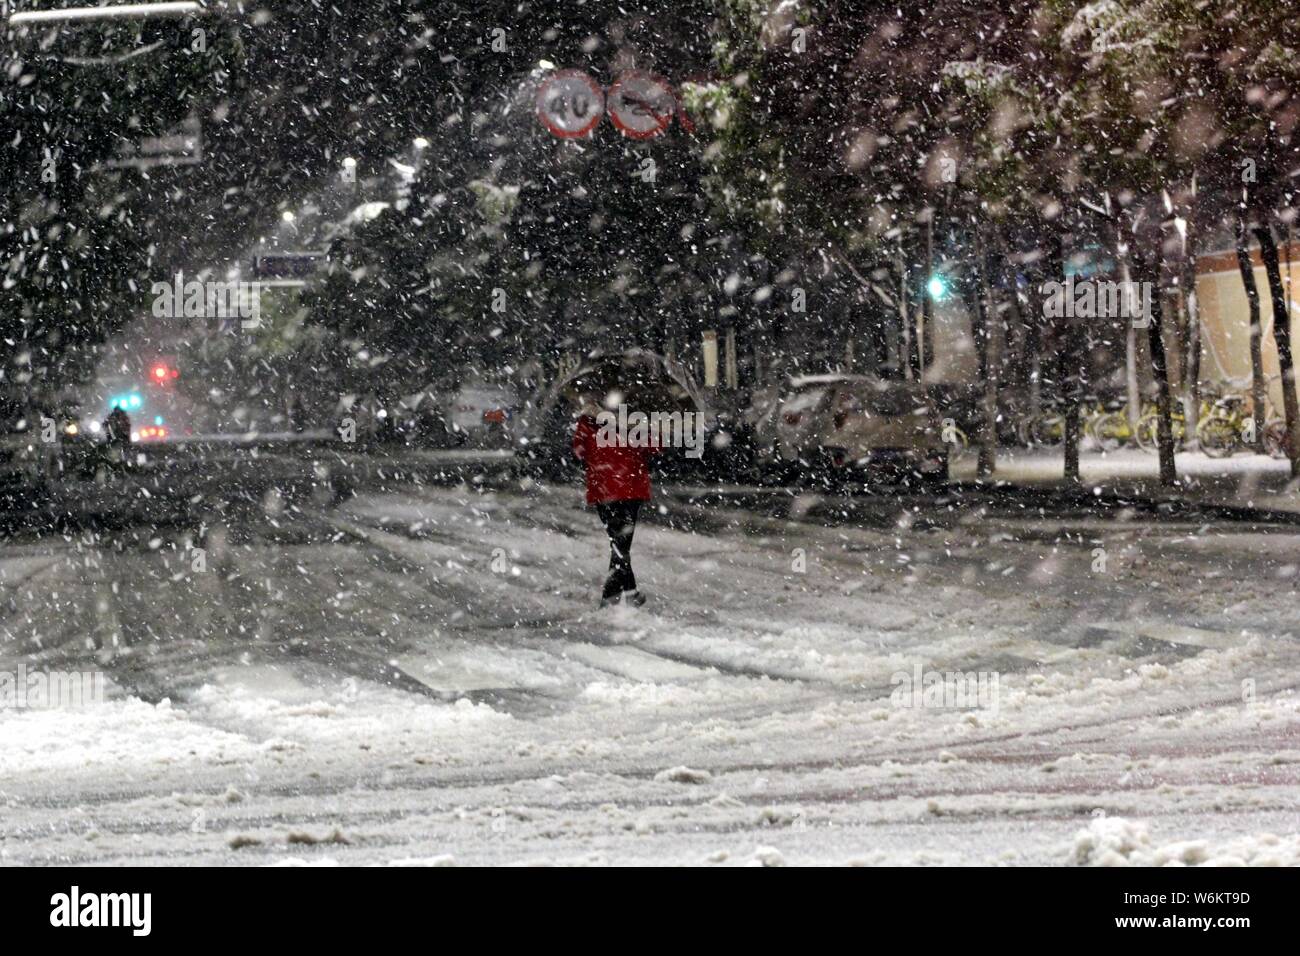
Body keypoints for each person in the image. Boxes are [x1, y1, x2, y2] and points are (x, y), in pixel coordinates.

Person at [572, 395, 658, 608]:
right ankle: (621, 594)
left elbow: (578, 451)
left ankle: (625, 594)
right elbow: (654, 448)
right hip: (631, 488)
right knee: (621, 544)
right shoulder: (638, 420)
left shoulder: (588, 420)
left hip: (603, 489)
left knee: (618, 543)